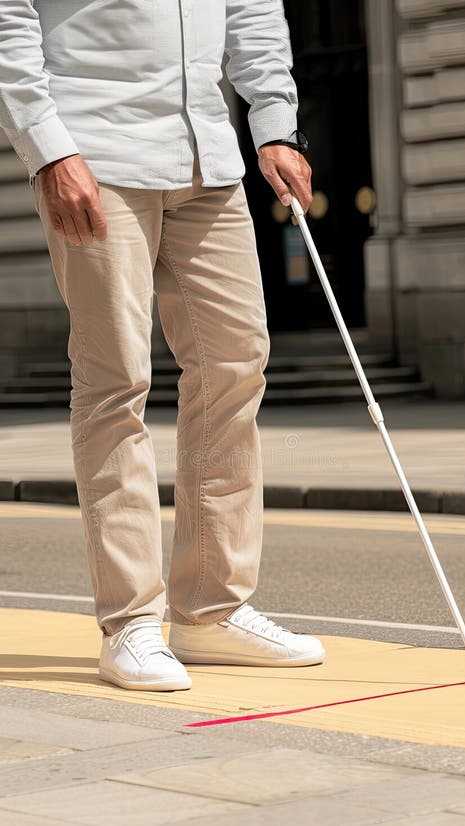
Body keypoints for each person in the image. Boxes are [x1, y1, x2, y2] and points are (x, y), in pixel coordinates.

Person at [0, 1, 325, 692]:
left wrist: (273, 123)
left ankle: (210, 610)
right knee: (114, 381)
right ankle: (130, 624)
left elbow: (253, 12)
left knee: (234, 367)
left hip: (209, 159)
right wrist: (49, 147)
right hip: (95, 154)